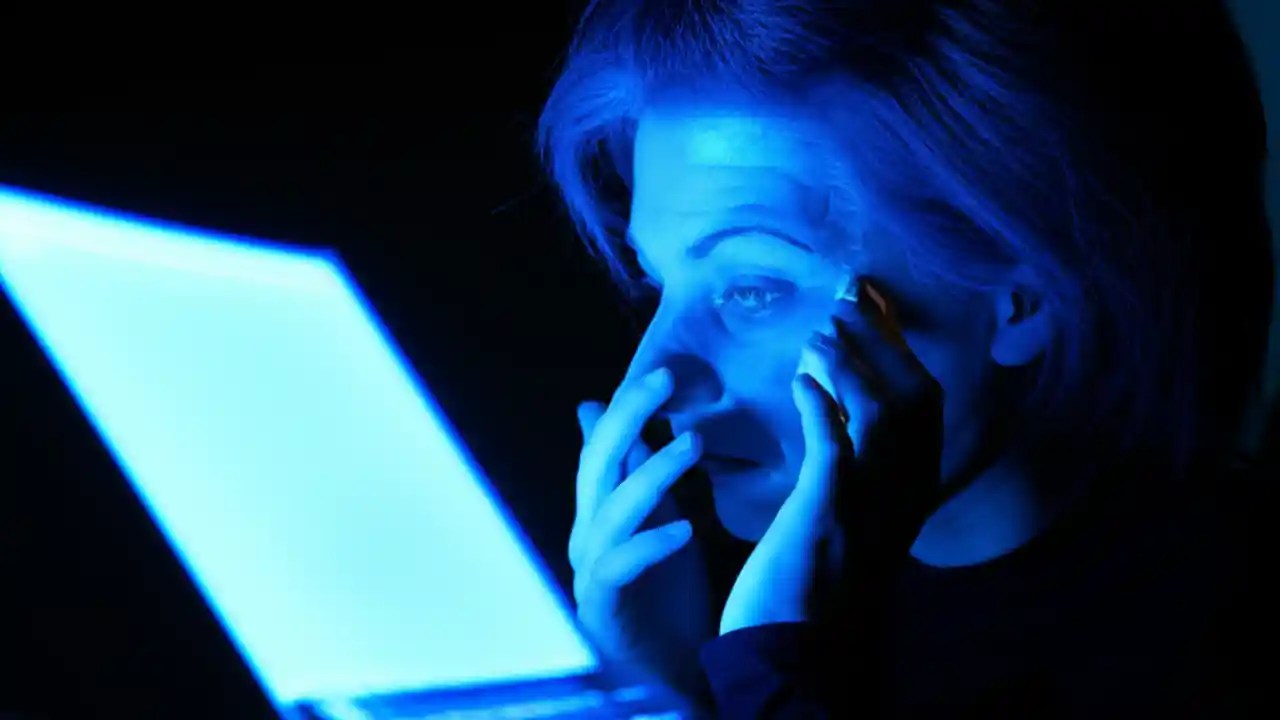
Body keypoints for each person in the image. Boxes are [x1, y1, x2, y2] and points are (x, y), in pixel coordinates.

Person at [537, 0, 1271, 716]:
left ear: (1025, 300)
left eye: (754, 289)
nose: (652, 384)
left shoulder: (1224, 644)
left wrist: (774, 670)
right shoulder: (708, 598)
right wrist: (660, 691)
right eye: (656, 282)